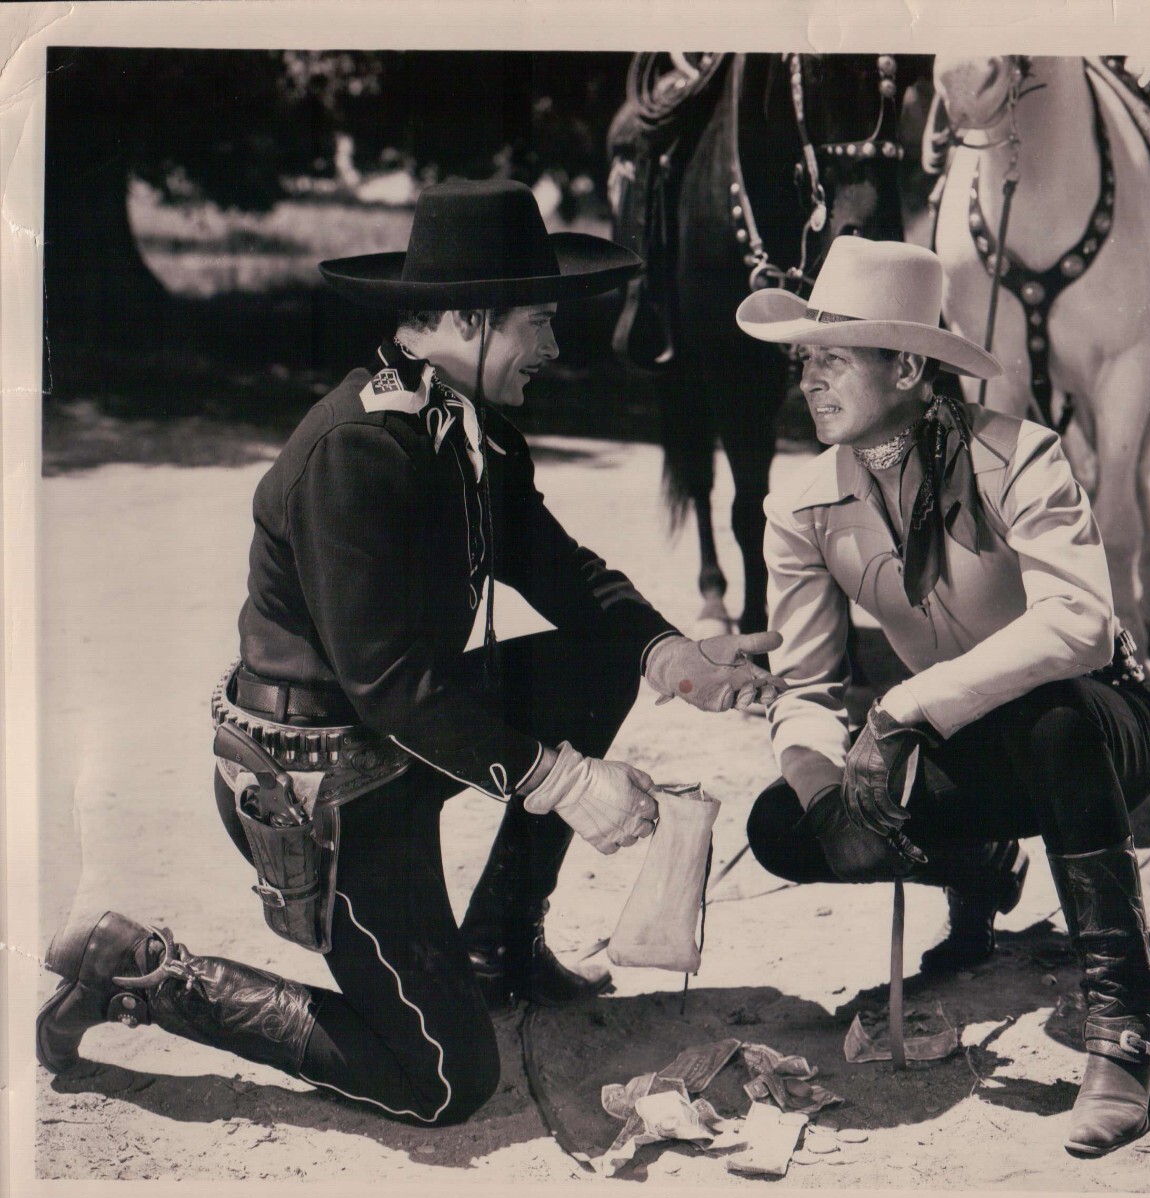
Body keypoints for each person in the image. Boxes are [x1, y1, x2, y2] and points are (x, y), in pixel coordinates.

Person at [37, 178, 784, 1128]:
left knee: (599, 660)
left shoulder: (468, 430)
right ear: (471, 319)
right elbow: (391, 686)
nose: (554, 348)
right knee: (445, 1080)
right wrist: (565, 781)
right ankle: (145, 970)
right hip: (320, 786)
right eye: (538, 324)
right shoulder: (357, 451)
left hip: (397, 734)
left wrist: (674, 653)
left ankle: (499, 950)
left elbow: (561, 570)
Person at [738, 236, 1150, 1157]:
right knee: (783, 824)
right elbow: (807, 686)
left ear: (904, 364)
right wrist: (829, 797)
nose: (808, 381)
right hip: (958, 743)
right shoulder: (802, 504)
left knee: (1048, 712)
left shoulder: (1020, 457)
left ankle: (1126, 1025)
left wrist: (901, 708)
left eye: (832, 358)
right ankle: (978, 869)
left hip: (1098, 727)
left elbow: (1080, 630)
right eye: (804, 360)